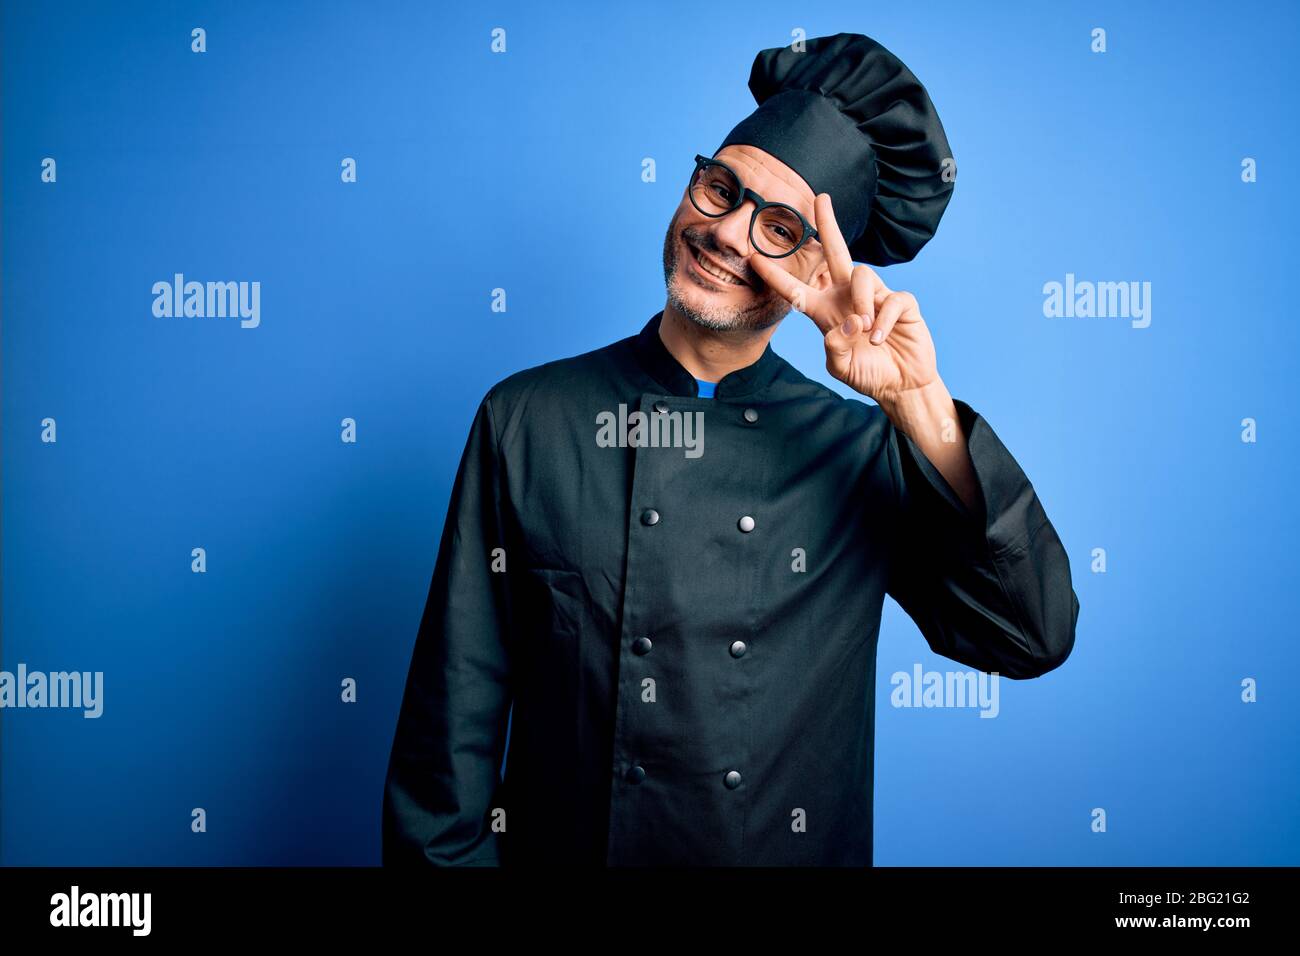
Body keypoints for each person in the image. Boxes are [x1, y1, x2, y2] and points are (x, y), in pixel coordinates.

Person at [382, 31, 1079, 867]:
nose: (730, 235)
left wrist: (917, 400)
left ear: (823, 271)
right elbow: (448, 736)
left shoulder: (859, 450)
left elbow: (1031, 637)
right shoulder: (527, 418)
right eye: (721, 190)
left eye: (781, 228)